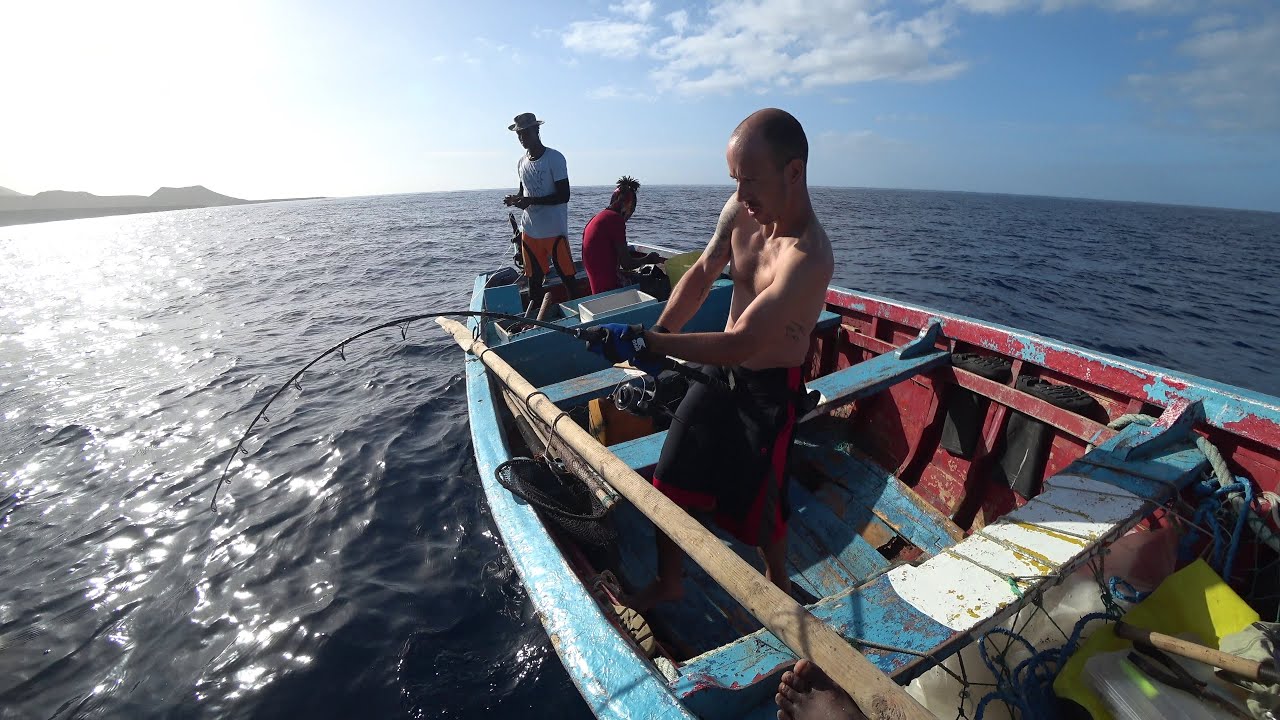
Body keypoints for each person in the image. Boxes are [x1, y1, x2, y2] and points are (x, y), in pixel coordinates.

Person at [585, 108, 835, 610]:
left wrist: (650, 344)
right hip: (721, 370)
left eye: (751, 181)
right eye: (735, 180)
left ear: (794, 172)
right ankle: (670, 580)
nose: (741, 196)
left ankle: (778, 586)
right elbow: (703, 272)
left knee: (761, 506)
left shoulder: (809, 255)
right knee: (671, 472)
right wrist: (659, 331)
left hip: (768, 388)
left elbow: (744, 341)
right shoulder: (741, 210)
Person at [503, 112, 576, 309]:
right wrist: (516, 200)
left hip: (554, 231)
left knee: (568, 278)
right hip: (530, 231)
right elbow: (523, 192)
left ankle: (579, 317)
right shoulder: (521, 162)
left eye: (525, 133)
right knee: (533, 281)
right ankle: (534, 324)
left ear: (537, 130)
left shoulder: (555, 158)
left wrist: (530, 200)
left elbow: (563, 195)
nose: (521, 138)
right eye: (519, 135)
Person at [581, 175, 660, 294]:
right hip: (610, 289)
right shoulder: (615, 220)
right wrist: (649, 258)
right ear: (628, 207)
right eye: (632, 210)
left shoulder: (596, 218)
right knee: (660, 284)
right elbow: (627, 263)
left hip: (597, 287)